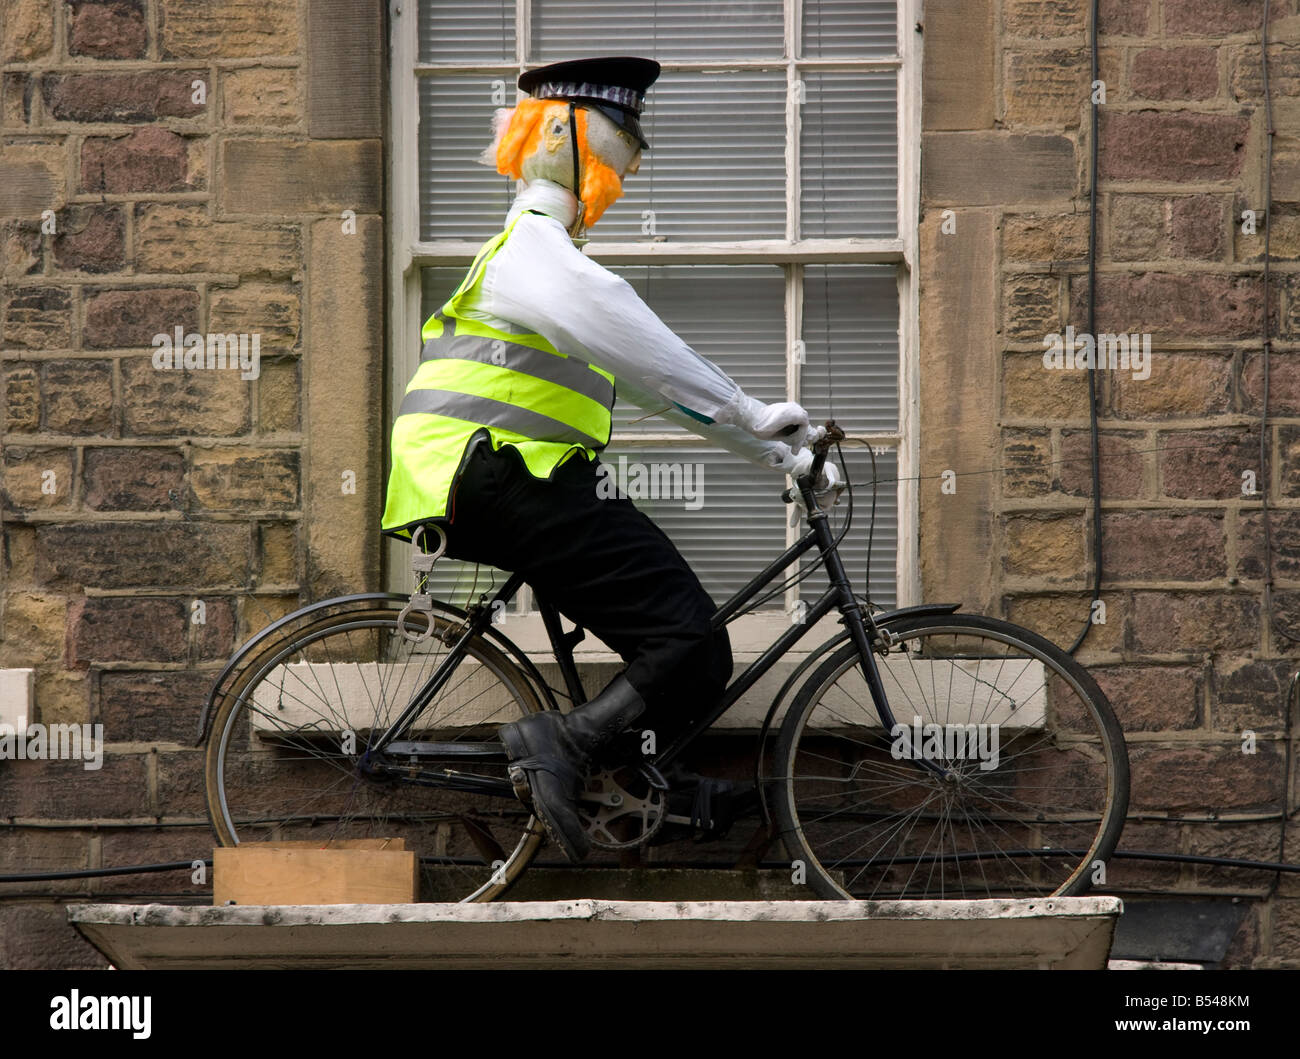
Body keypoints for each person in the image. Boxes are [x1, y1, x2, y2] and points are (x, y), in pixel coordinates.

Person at [381, 56, 837, 862]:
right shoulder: (536, 255)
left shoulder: (544, 256)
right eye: (621, 139)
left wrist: (777, 454)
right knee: (688, 636)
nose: (629, 162)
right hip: (501, 473)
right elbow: (631, 333)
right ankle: (558, 741)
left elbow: (658, 387)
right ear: (559, 134)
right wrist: (757, 416)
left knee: (691, 651)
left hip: (502, 475)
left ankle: (639, 776)